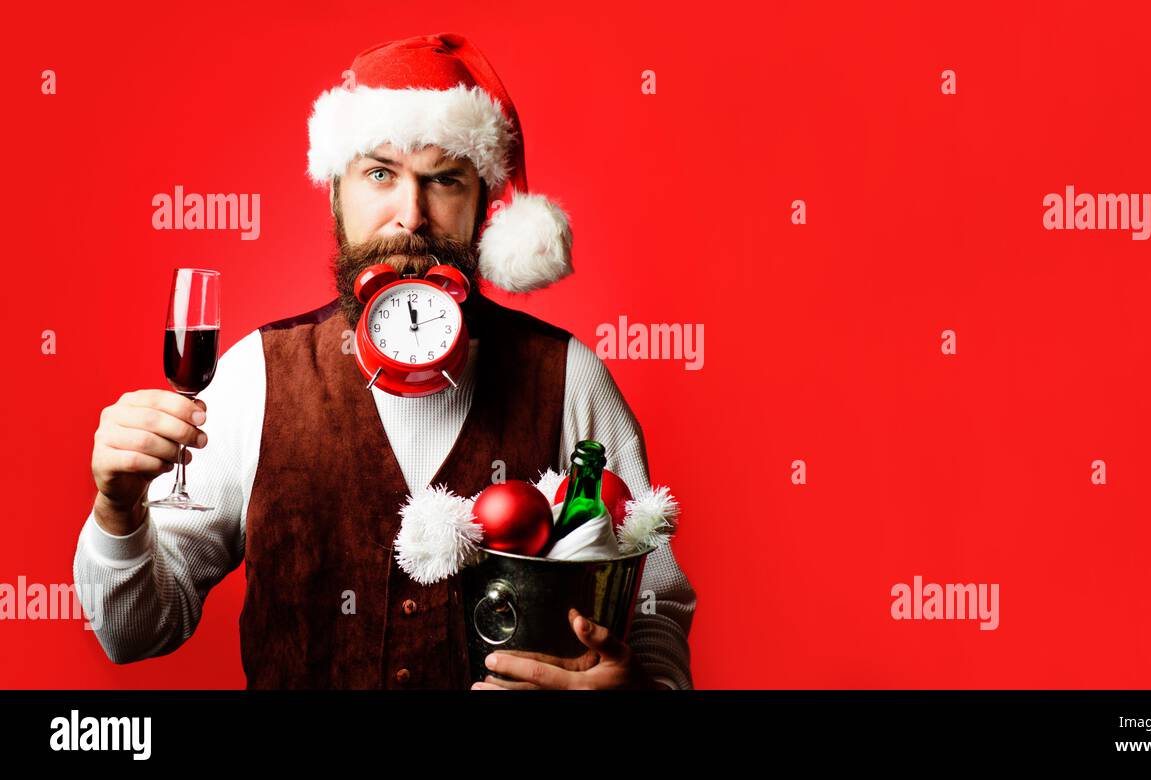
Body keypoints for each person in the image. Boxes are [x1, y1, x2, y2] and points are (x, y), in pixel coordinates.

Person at [72, 33, 695, 690]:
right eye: (379, 174)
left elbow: (653, 610)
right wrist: (118, 510)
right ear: (336, 195)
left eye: (445, 179)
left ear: (484, 203)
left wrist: (640, 689)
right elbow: (133, 633)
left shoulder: (569, 378)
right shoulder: (255, 377)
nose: (411, 216)